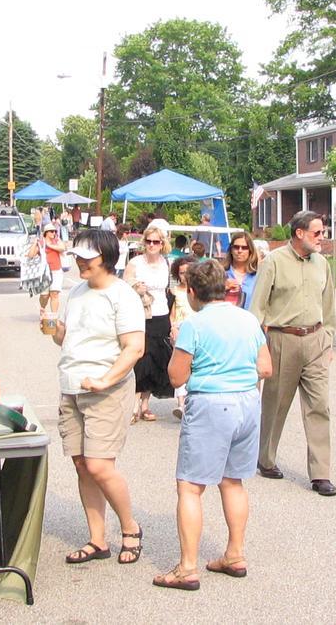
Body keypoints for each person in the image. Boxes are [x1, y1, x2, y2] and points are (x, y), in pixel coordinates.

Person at [153, 260, 272, 591]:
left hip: (211, 403)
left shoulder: (195, 324)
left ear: (192, 291)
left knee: (190, 486)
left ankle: (187, 566)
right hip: (247, 403)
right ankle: (235, 553)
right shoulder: (248, 319)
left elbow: (176, 376)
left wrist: (179, 344)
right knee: (233, 481)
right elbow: (266, 367)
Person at [50, 229, 146, 566]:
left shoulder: (123, 296)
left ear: (105, 258)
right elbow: (63, 339)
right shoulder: (75, 291)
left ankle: (130, 529)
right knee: (81, 464)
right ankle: (97, 539)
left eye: (85, 258)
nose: (79, 263)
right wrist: (51, 324)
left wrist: (106, 380)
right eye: (77, 257)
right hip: (72, 387)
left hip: (107, 390)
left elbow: (135, 348)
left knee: (100, 466)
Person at [249, 210, 336, 496]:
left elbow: (330, 307)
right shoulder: (274, 261)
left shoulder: (322, 264)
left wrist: (328, 340)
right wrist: (257, 346)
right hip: (281, 339)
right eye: (317, 232)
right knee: (275, 404)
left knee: (319, 406)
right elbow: (258, 308)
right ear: (299, 233)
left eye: (322, 232)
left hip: (314, 340)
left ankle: (320, 473)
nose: (322, 237)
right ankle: (266, 458)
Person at [123, 224, 175, 423]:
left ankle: (145, 404)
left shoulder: (166, 263)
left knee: (156, 360)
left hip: (162, 314)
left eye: (156, 242)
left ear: (162, 244)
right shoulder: (135, 263)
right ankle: (134, 405)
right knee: (141, 359)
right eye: (149, 241)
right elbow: (124, 285)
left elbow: (171, 290)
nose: (152, 245)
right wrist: (136, 287)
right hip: (141, 314)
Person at [168, 256, 195, 419]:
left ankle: (190, 401)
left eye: (188, 272)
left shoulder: (198, 291)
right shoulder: (174, 291)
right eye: (181, 273)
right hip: (180, 329)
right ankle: (181, 403)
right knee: (180, 365)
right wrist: (172, 328)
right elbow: (171, 314)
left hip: (195, 329)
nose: (184, 276)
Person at [26, 223, 67, 317]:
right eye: (52, 231)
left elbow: (62, 248)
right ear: (46, 233)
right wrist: (35, 243)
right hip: (45, 273)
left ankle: (54, 316)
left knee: (54, 293)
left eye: (55, 231)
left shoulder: (57, 241)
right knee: (45, 295)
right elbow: (30, 255)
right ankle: (42, 308)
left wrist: (50, 245)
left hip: (56, 271)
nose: (54, 233)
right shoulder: (41, 243)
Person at [224, 231, 259, 310]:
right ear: (231, 249)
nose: (239, 251)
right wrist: (222, 288)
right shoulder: (220, 273)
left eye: (244, 248)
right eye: (236, 247)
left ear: (250, 251)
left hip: (250, 319)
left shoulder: (258, 276)